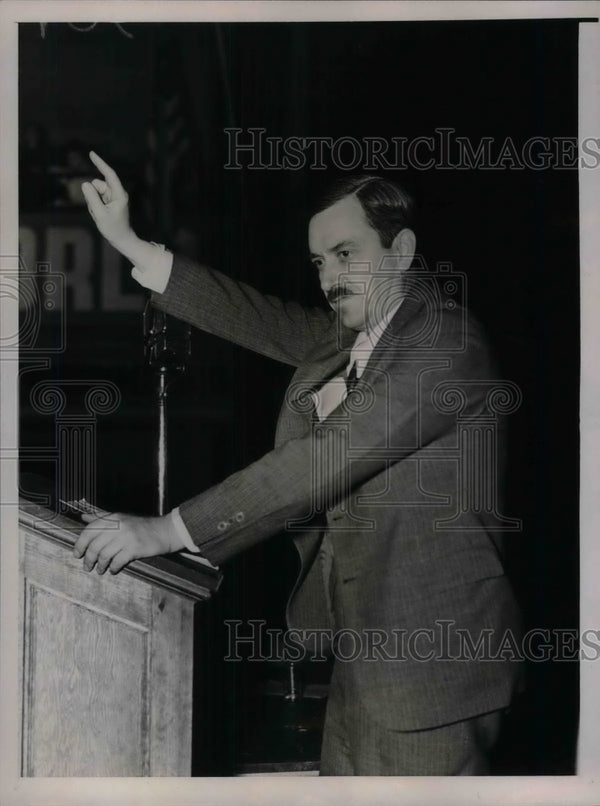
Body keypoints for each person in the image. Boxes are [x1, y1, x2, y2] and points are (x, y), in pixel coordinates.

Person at [76, 151, 524, 775]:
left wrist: (168, 530)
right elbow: (256, 316)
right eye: (319, 262)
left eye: (347, 254)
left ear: (401, 251)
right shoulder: (359, 334)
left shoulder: (445, 342)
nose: (330, 277)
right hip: (362, 663)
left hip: (433, 675)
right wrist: (129, 242)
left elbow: (323, 458)